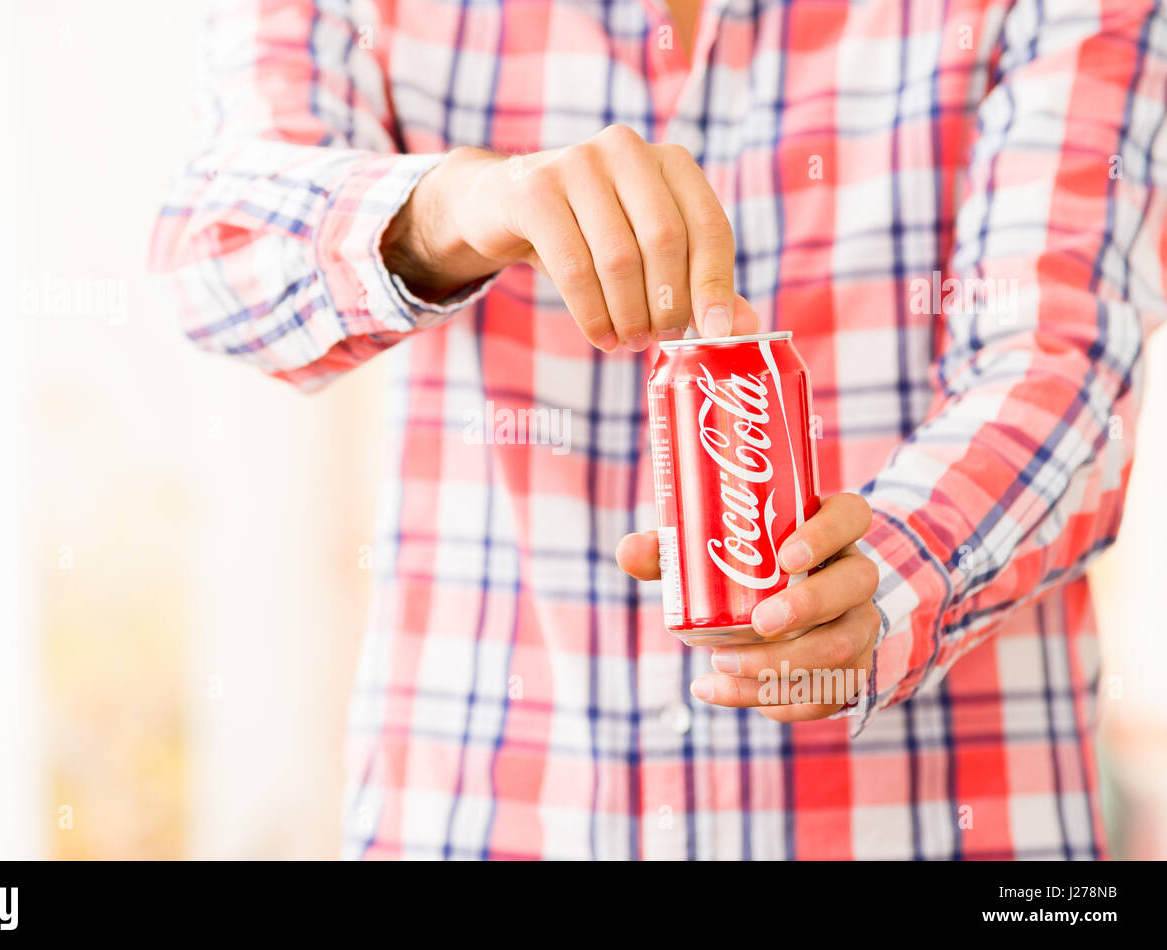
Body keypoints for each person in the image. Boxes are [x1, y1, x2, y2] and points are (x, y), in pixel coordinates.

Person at [151, 0, 1165, 859]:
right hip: (483, 806)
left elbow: (1059, 356)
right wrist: (452, 208)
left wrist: (891, 577)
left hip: (945, 820)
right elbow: (213, 256)